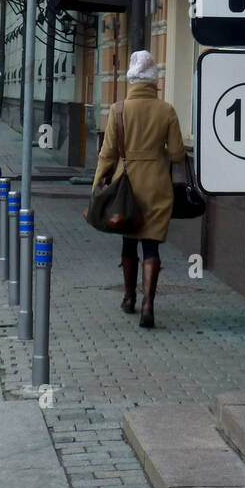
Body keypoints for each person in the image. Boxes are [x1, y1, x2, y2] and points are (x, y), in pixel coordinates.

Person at [92, 50, 185, 329]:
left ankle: (129, 297)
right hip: (157, 185)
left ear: (132, 80)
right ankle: (149, 306)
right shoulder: (166, 110)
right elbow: (179, 154)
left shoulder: (118, 110)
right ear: (153, 80)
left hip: (126, 186)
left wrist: (97, 185)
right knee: (151, 245)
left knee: (129, 242)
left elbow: (107, 154)